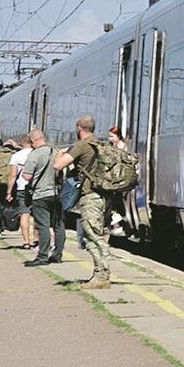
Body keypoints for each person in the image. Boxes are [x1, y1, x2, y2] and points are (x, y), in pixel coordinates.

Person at [51, 115, 112, 290]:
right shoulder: (101, 144)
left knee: (92, 236)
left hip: (91, 196)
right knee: (98, 233)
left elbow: (58, 166)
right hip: (104, 196)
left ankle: (102, 276)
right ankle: (99, 273)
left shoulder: (82, 145)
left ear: (79, 128)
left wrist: (60, 154)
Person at [19, 129, 64, 266]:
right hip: (56, 194)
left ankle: (43, 256)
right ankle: (57, 255)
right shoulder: (55, 152)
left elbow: (27, 176)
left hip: (40, 195)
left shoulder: (34, 155)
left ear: (33, 141)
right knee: (58, 225)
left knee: (43, 226)